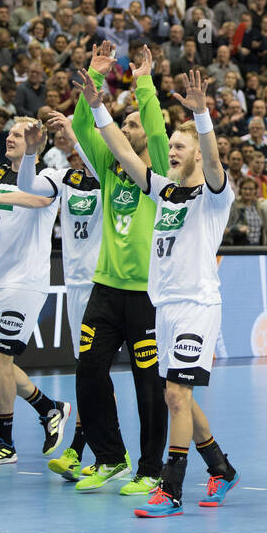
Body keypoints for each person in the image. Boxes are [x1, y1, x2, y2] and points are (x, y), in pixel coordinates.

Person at [80, 69, 240, 517]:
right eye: (169, 146)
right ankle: (221, 468)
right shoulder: (163, 191)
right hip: (164, 307)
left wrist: (201, 116)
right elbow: (123, 153)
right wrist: (96, 107)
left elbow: (212, 161)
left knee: (174, 395)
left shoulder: (213, 196)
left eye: (178, 148)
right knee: (182, 394)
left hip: (197, 305)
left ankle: (170, 488)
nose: (169, 152)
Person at [68, 42, 171, 495]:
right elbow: (80, 126)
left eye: (131, 123)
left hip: (148, 294)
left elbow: (155, 126)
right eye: (121, 122)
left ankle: (151, 468)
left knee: (150, 384)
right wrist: (96, 76)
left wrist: (142, 82)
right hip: (105, 288)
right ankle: (110, 456)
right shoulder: (109, 167)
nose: (126, 127)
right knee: (88, 371)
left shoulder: (162, 169)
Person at [0, 116, 71, 466]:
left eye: (20, 134)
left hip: (26, 282)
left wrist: (0, 199)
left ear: (36, 142)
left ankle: (4, 441)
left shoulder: (49, 177)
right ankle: (48, 407)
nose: (11, 137)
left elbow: (40, 202)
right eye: (9, 132)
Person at [20, 115, 105, 481]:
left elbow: (94, 157)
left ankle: (86, 451)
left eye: (77, 146)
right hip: (76, 287)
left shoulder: (111, 177)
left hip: (108, 285)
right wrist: (31, 152)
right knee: (88, 374)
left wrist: (73, 131)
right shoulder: (63, 179)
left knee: (95, 373)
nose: (73, 154)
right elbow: (27, 187)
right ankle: (93, 451)